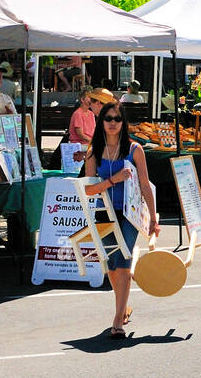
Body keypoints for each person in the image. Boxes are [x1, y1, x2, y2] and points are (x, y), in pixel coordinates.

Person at [84, 100, 160, 337]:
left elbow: (145, 185)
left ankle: (117, 319)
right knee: (111, 266)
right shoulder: (94, 151)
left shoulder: (134, 149)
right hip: (104, 212)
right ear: (101, 122)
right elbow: (88, 190)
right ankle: (123, 306)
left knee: (124, 262)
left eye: (117, 119)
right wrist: (113, 180)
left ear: (123, 122)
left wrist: (153, 218)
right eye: (108, 119)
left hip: (130, 214)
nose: (113, 123)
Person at [67, 89, 113, 166]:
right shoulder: (78, 113)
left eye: (92, 100)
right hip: (81, 144)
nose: (90, 102)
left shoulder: (93, 114)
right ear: (82, 99)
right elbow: (81, 134)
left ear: (98, 103)